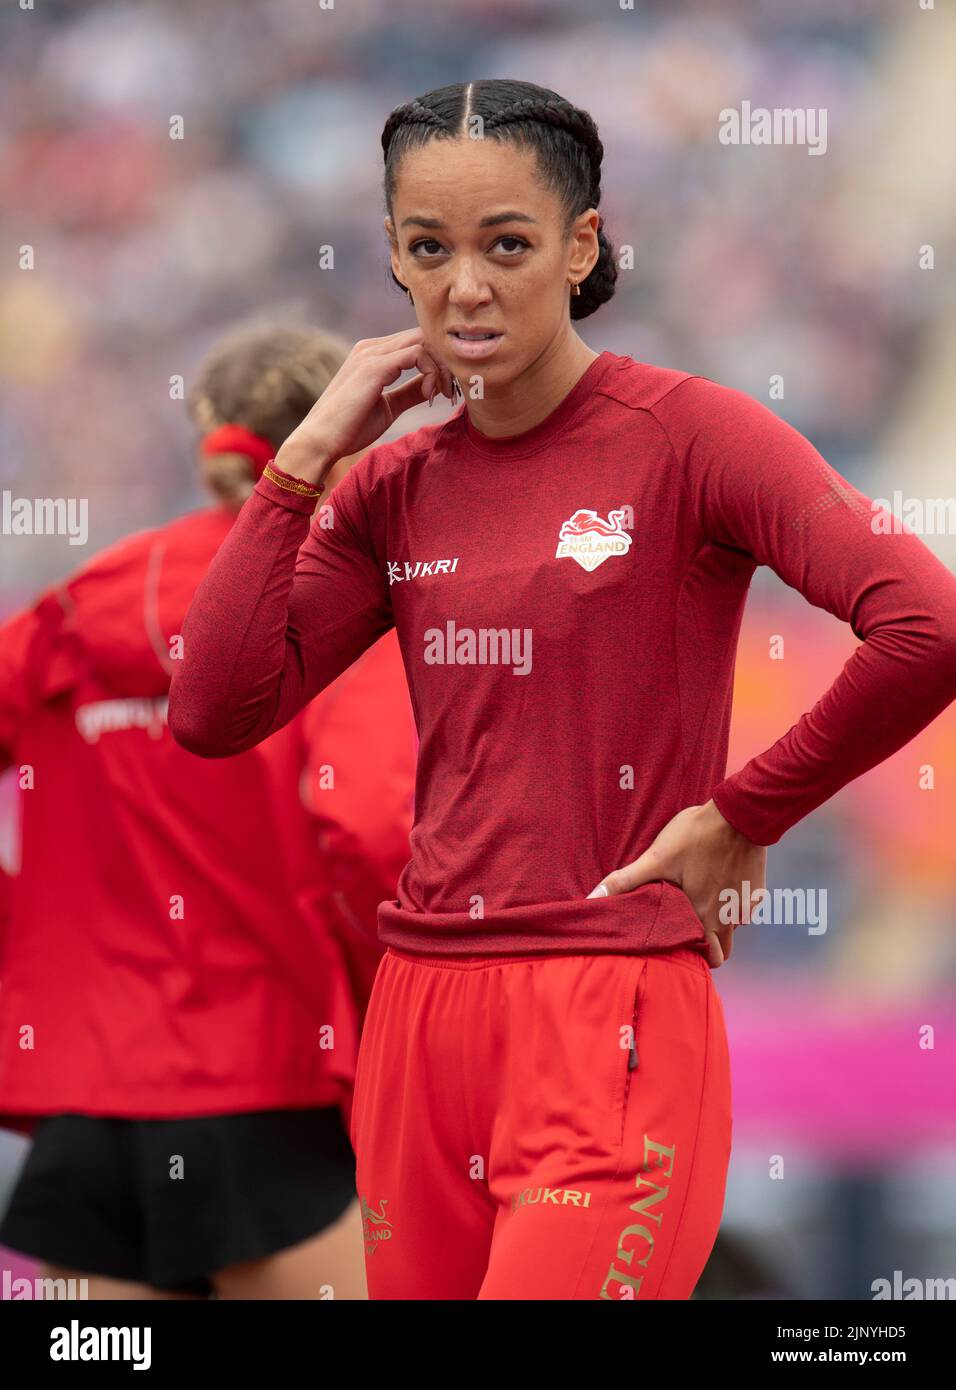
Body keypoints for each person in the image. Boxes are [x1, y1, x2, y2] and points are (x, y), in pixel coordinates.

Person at [168, 81, 956, 1300]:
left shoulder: (694, 438)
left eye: (508, 245)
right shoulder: (386, 489)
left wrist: (745, 811)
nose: (465, 287)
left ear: (581, 244)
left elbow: (924, 624)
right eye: (428, 249)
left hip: (611, 1006)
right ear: (391, 257)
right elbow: (212, 713)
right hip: (418, 1020)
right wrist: (304, 461)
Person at [0, 321, 414, 1299]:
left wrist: (25, 930)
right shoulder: (343, 594)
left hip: (87, 1108)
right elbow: (365, 827)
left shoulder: (77, 605)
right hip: (269, 1089)